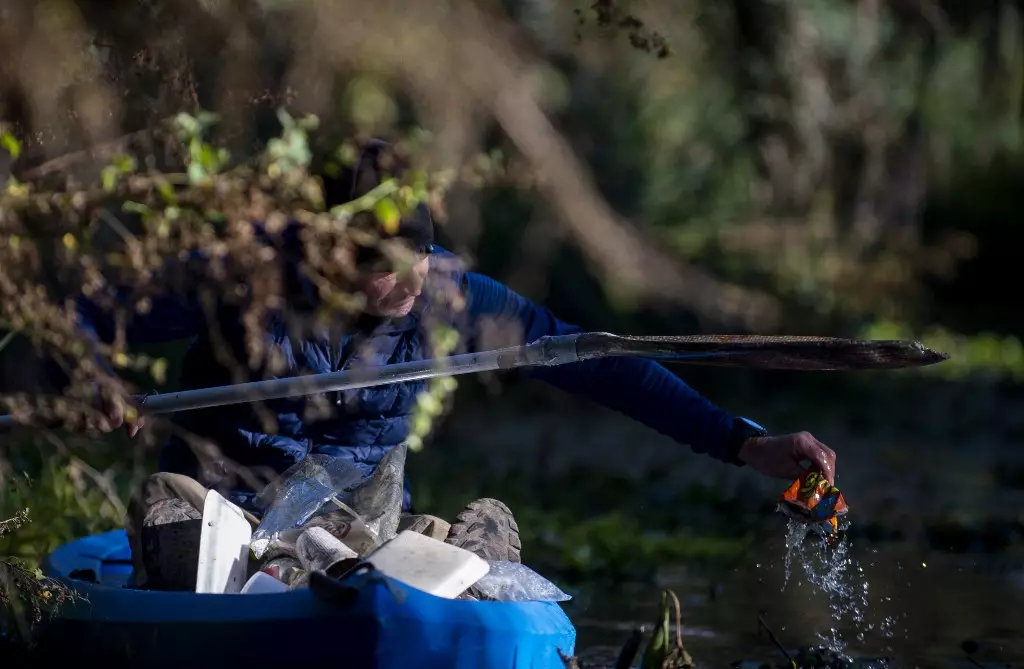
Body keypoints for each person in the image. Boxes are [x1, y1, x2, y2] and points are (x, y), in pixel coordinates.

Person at [71, 139, 837, 590]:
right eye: (383, 264)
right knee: (170, 509)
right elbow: (86, 311)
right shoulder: (244, 278)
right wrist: (92, 373)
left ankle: (418, 574)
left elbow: (604, 366)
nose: (410, 281)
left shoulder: (448, 297)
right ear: (327, 251)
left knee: (464, 543)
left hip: (354, 529)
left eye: (420, 256)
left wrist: (743, 442)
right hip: (221, 519)